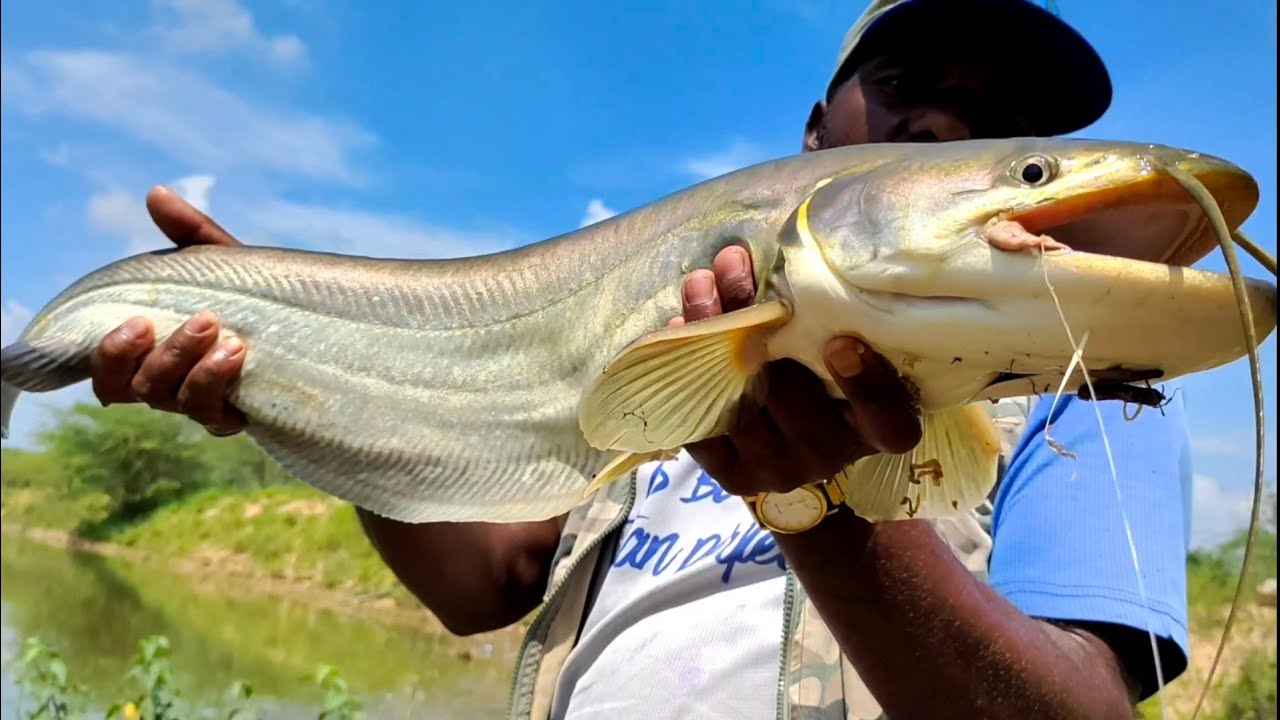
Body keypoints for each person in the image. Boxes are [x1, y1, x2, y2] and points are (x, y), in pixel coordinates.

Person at [89, 1, 1194, 718]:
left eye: (1004, 126)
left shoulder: (1085, 377)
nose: (945, 127)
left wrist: (822, 508)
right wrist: (299, 374)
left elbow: (1082, 706)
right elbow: (481, 587)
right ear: (815, 128)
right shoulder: (663, 313)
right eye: (904, 84)